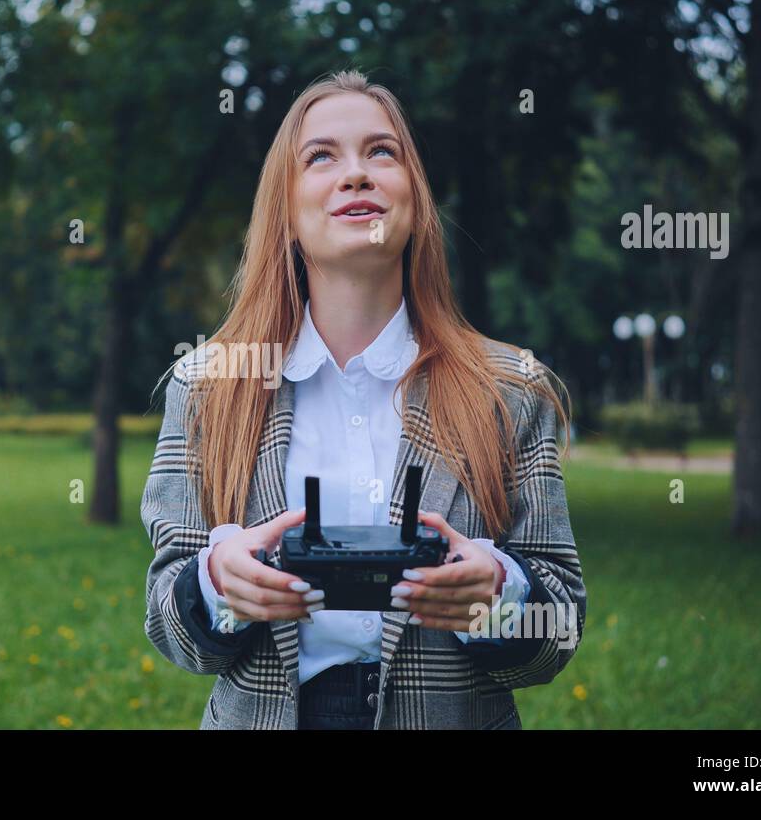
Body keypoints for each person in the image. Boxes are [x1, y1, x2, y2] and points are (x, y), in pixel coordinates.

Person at [141, 70, 586, 730]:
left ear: (416, 201)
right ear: (285, 211)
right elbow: (168, 620)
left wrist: (497, 595)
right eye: (321, 156)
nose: (356, 174)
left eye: (382, 151)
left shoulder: (512, 389)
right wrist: (216, 586)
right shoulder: (208, 388)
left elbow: (560, 630)